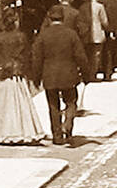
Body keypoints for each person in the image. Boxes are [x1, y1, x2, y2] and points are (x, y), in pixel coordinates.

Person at [31, 9, 89, 146]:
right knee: (71, 101)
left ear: (49, 18)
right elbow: (80, 56)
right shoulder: (71, 34)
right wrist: (86, 75)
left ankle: (57, 135)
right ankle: (68, 125)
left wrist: (36, 77)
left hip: (49, 75)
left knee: (53, 105)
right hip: (69, 74)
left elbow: (37, 58)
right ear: (63, 18)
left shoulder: (43, 35)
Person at [0, 9, 45, 145]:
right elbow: (27, 56)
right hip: (16, 74)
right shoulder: (21, 37)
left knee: (3, 106)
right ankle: (21, 131)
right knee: (19, 105)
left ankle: (3, 133)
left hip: (1, 75)